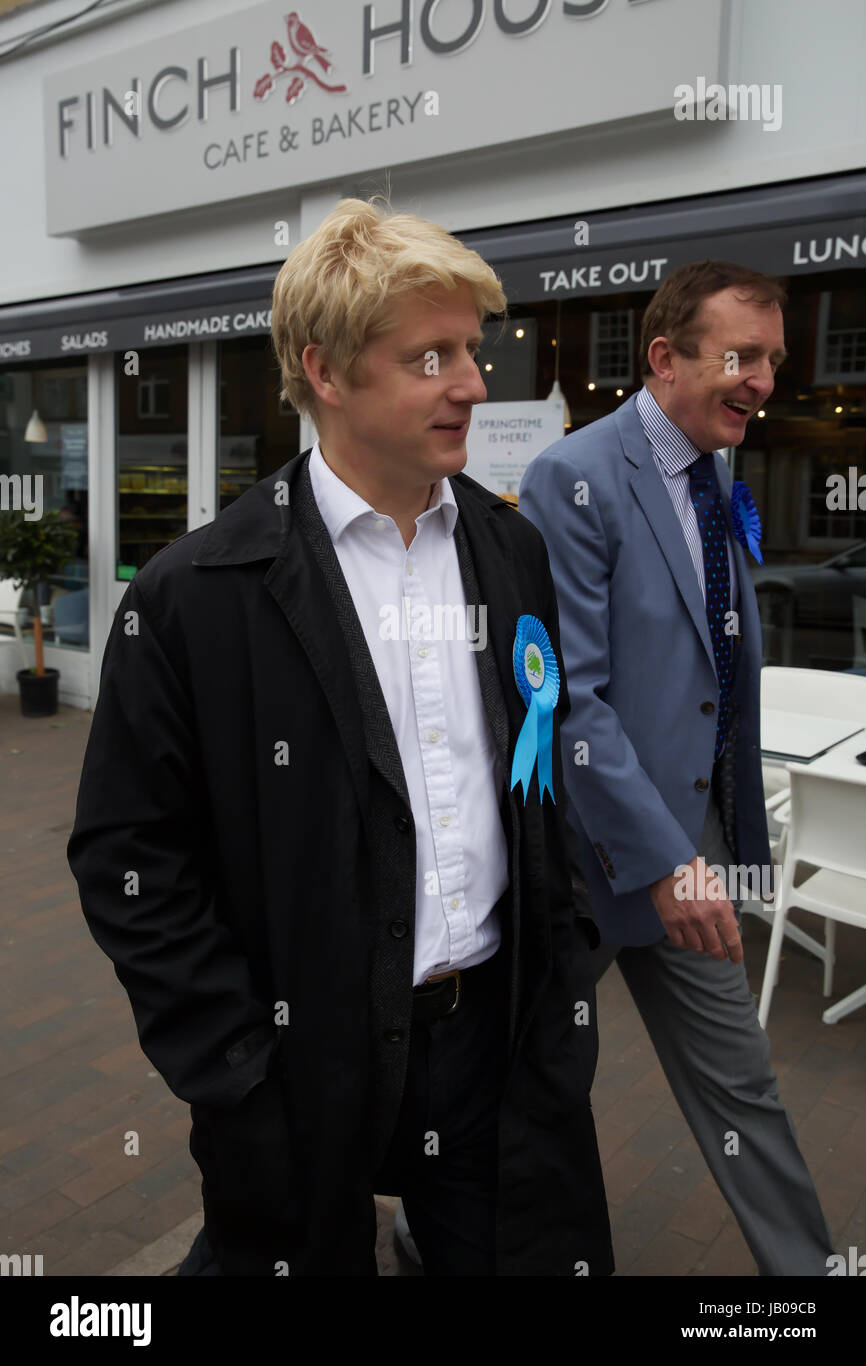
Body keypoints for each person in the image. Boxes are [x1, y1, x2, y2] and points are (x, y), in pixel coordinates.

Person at [67, 197, 613, 1277]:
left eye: (471, 349)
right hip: (299, 1058)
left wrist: (563, 977)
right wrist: (235, 1068)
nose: (470, 382)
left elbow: (538, 769)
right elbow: (127, 855)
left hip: (498, 1045)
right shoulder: (197, 594)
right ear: (324, 372)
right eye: (430, 357)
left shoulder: (510, 554)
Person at [519, 260, 834, 1276]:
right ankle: (432, 1225)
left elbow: (710, 680)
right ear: (662, 359)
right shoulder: (569, 475)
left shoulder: (712, 474)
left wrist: (718, 848)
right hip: (585, 857)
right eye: (741, 356)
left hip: (688, 843)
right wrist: (662, 860)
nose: (762, 381)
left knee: (739, 1081)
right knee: (526, 1074)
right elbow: (569, 695)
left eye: (774, 361)